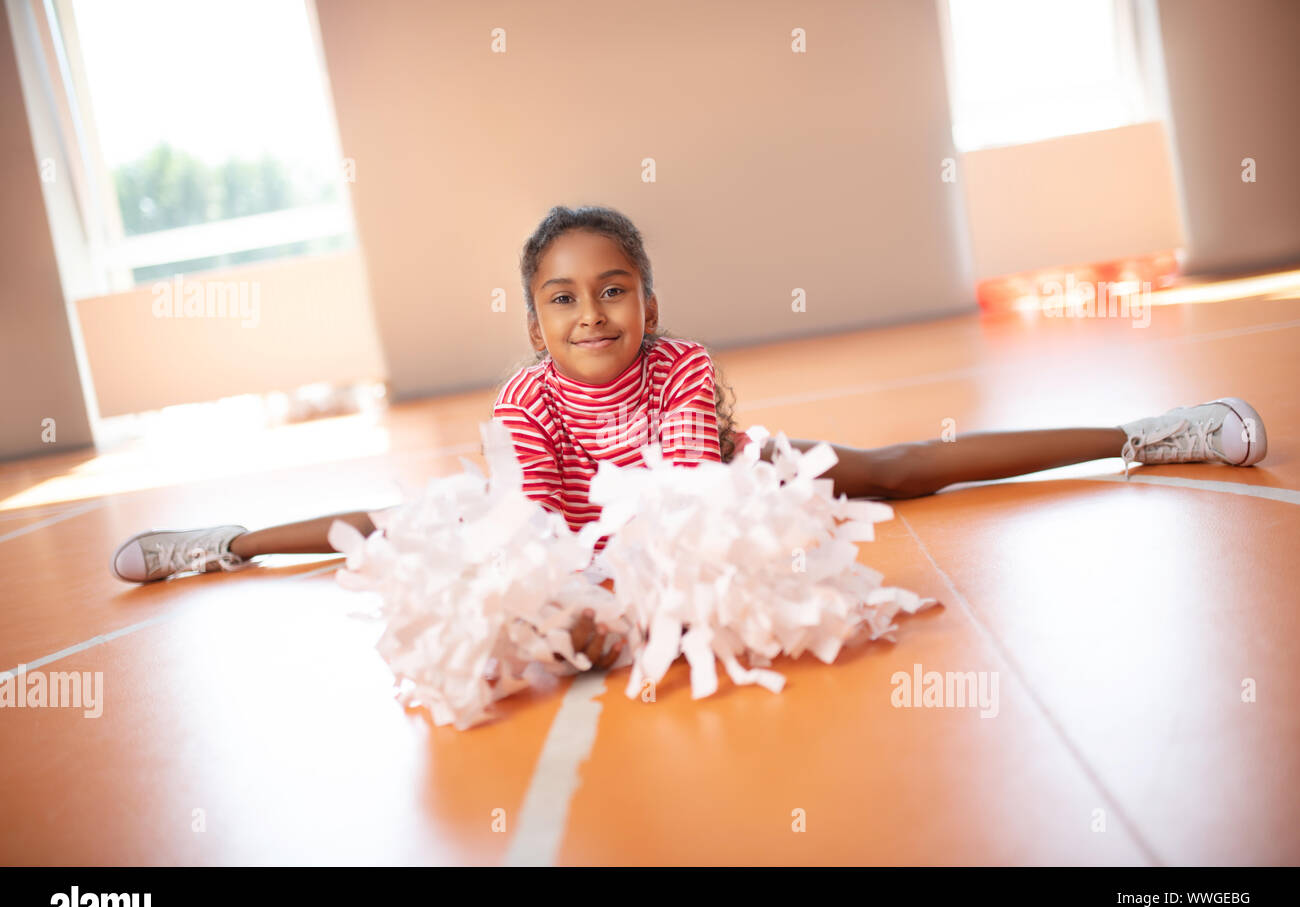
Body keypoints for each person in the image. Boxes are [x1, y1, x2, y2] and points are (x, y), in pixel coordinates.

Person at [111, 205, 1270, 668]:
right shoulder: (524, 400)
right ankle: (227, 541)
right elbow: (539, 520)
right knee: (400, 524)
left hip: (711, 486)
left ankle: (1143, 432)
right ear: (534, 325)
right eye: (563, 300)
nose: (591, 314)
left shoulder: (685, 367)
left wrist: (627, 598)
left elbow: (675, 499)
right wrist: (561, 599)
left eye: (613, 290)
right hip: (558, 511)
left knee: (895, 467)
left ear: (650, 305)